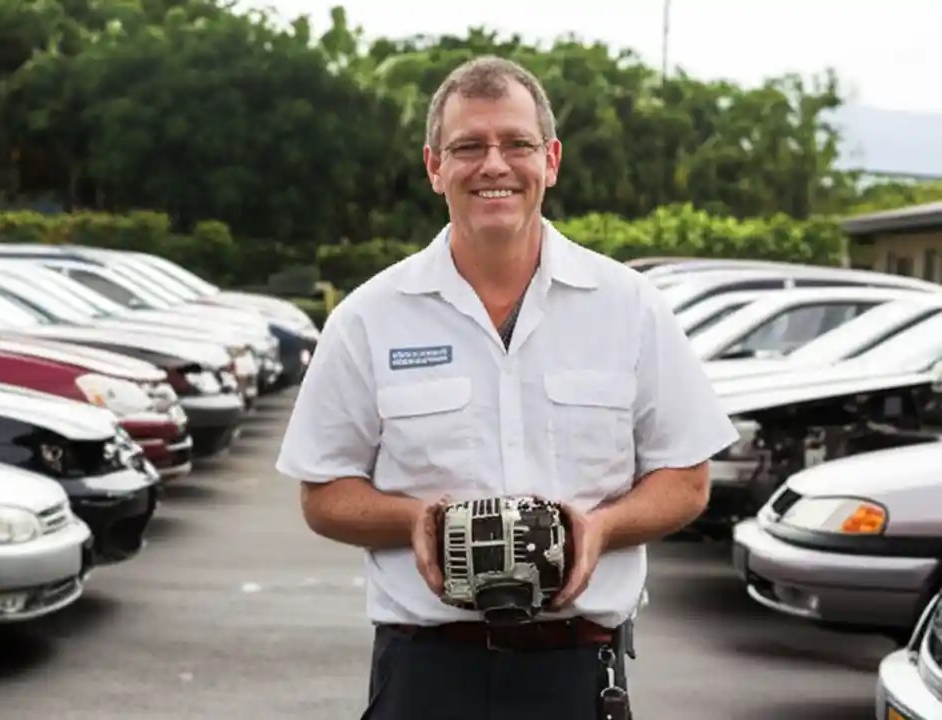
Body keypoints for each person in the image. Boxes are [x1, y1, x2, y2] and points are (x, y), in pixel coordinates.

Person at [274, 55, 739, 719]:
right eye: (468, 147)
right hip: (425, 673)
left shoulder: (630, 307)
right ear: (435, 167)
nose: (494, 165)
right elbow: (322, 492)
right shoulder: (368, 318)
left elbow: (687, 479)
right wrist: (415, 522)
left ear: (550, 160)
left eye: (516, 144)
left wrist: (601, 529)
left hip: (576, 669)